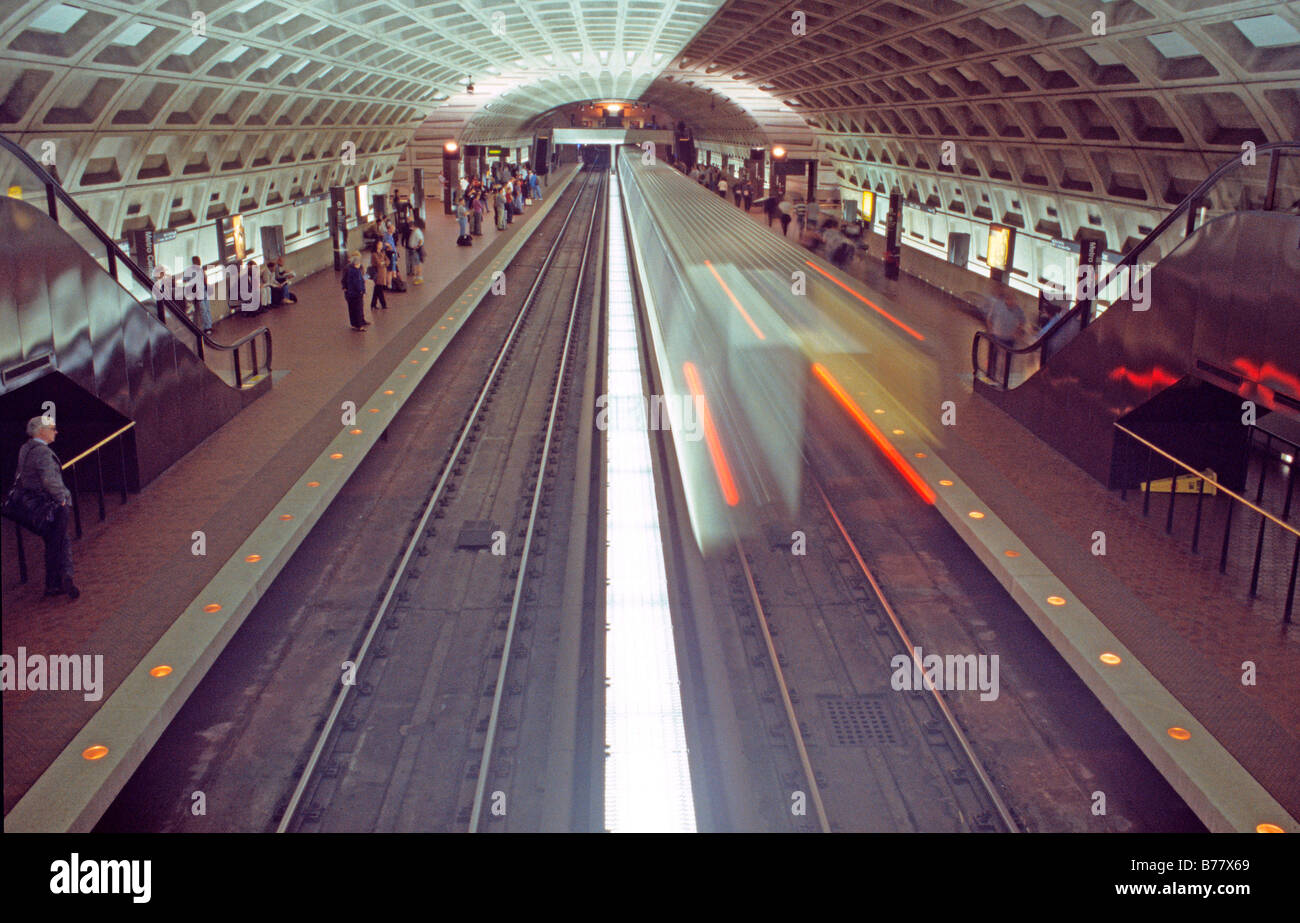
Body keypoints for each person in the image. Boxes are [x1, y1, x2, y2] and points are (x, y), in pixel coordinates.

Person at [16, 416, 78, 599]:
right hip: (51, 505)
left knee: (56, 541)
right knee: (59, 542)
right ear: (41, 431)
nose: (55, 431)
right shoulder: (42, 452)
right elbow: (49, 480)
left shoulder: (25, 449)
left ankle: (59, 580)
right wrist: (62, 499)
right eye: (52, 428)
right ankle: (60, 581)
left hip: (35, 506)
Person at [184, 256, 213, 333]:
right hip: (198, 293)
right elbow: (185, 281)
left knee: (207, 309)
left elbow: (204, 279)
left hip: (204, 291)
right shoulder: (190, 271)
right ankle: (207, 327)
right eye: (197, 261)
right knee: (203, 310)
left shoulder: (200, 270)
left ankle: (209, 325)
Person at [342, 250, 368, 330]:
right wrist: (345, 288)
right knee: (355, 307)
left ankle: (360, 321)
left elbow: (362, 276)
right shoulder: (349, 269)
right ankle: (357, 323)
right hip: (352, 291)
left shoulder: (358, 267)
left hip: (354, 290)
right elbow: (345, 280)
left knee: (359, 306)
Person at [368, 239, 389, 311]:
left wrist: (384, 262)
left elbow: (387, 261)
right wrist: (383, 262)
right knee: (379, 289)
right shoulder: (374, 254)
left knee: (377, 288)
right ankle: (383, 304)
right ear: (377, 245)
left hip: (383, 272)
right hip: (377, 273)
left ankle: (373, 304)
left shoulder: (383, 252)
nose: (381, 245)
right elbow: (378, 262)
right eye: (380, 244)